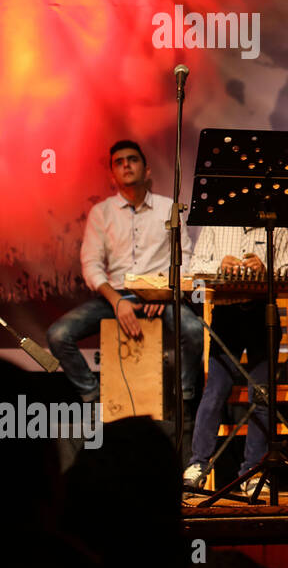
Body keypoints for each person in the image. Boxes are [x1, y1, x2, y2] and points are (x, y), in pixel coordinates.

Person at [46, 140, 203, 406]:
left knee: (194, 330)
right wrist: (116, 301)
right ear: (112, 175)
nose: (126, 165)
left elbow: (185, 257)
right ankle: (94, 398)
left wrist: (164, 292)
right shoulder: (102, 212)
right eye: (119, 163)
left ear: (147, 170)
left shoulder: (168, 208)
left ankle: (184, 401)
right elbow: (91, 264)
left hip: (161, 295)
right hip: (116, 295)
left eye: (132, 159)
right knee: (58, 335)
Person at [183, 225, 288, 499]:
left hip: (262, 313)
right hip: (227, 313)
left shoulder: (277, 229)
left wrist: (265, 270)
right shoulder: (215, 226)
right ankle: (198, 465)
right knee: (215, 390)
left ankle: (254, 472)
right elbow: (194, 268)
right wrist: (219, 267)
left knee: (261, 394)